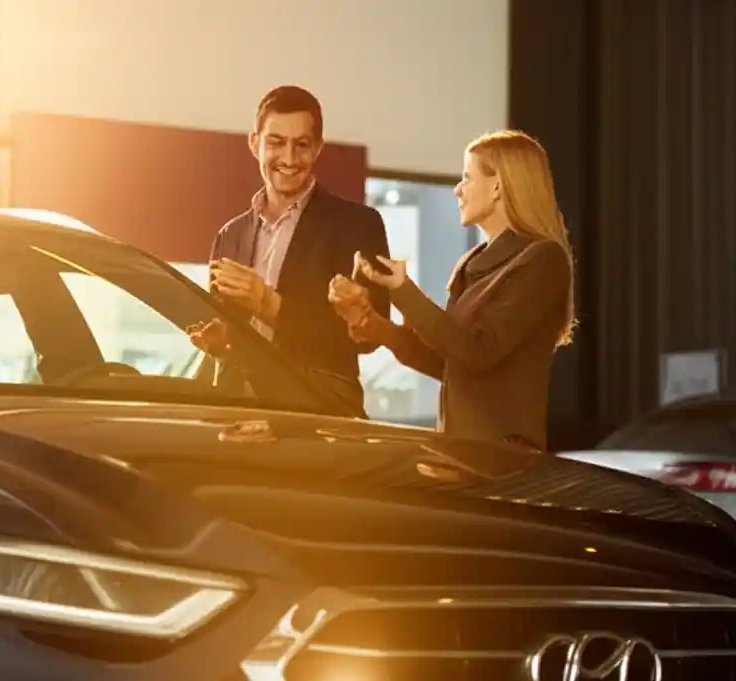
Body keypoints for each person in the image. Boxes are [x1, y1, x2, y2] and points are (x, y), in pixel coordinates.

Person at [329, 130, 575, 450]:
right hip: (459, 452)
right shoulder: (470, 263)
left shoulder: (543, 259)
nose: (458, 190)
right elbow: (449, 363)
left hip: (503, 459)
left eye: (467, 177)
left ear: (498, 185)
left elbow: (475, 352)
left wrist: (403, 290)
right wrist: (378, 327)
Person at [207, 85, 390, 412]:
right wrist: (219, 338)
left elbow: (371, 336)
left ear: (318, 148)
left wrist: (269, 304)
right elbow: (227, 329)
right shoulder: (230, 234)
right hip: (237, 416)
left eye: (302, 145)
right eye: (276, 143)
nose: (289, 159)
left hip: (319, 415)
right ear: (254, 143)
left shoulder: (359, 224)